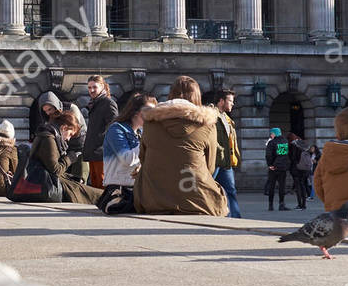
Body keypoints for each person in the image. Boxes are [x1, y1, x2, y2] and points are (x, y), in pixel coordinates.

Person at [135, 75, 227, 216]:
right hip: (197, 200)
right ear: (196, 96)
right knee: (221, 195)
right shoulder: (207, 124)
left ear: (170, 95)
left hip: (153, 200)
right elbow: (210, 166)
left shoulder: (150, 122)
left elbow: (143, 158)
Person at [27, 110, 103, 204]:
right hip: (47, 183)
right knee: (91, 194)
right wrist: (70, 158)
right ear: (64, 128)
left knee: (88, 191)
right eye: (70, 134)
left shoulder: (48, 136)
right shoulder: (48, 139)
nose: (68, 139)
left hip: (47, 181)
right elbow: (56, 170)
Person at [99, 92, 157, 214]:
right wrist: (148, 139)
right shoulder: (116, 129)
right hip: (118, 188)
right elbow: (127, 159)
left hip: (137, 188)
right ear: (136, 112)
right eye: (149, 111)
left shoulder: (140, 133)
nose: (152, 116)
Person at [81, 75, 119, 189]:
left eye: (94, 87)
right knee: (95, 186)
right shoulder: (94, 103)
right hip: (93, 151)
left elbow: (114, 127)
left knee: (103, 185)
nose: (91, 90)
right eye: (89, 87)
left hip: (102, 152)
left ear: (102, 86)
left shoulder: (108, 103)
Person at [212, 89, 243, 218]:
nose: (232, 104)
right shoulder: (210, 115)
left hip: (226, 162)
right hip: (214, 161)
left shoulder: (227, 119)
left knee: (231, 191)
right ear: (221, 101)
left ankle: (236, 217)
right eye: (230, 101)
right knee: (206, 189)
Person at [265, 127, 293, 211]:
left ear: (274, 133)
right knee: (282, 186)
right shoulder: (285, 142)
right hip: (283, 167)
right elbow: (286, 154)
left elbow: (268, 155)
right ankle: (281, 204)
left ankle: (270, 205)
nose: (271, 135)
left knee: (272, 187)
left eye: (271, 133)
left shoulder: (272, 142)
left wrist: (270, 164)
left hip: (274, 167)